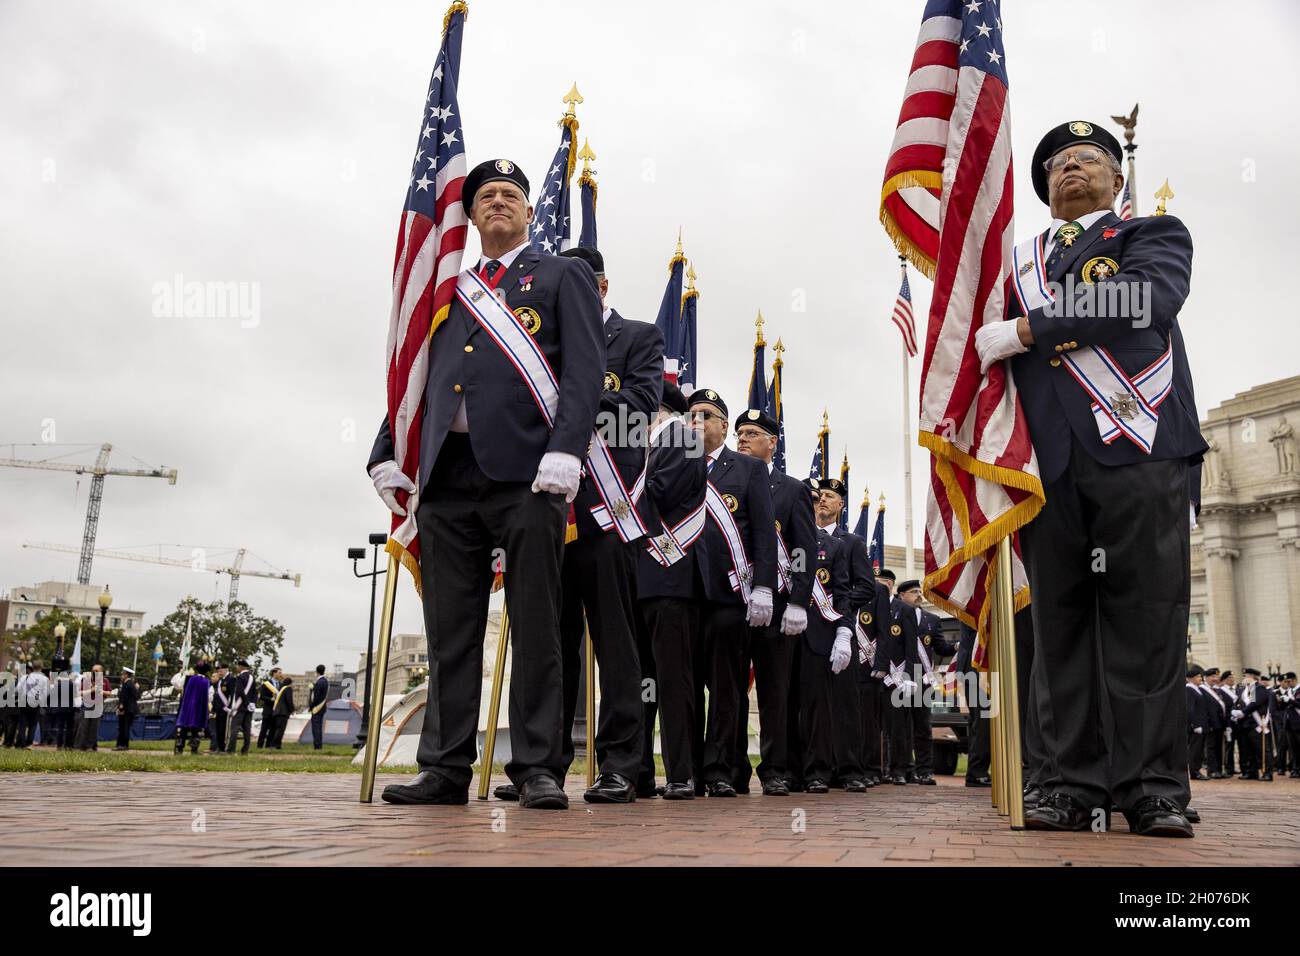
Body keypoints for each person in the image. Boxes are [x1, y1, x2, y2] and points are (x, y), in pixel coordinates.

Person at [975, 120, 1206, 838]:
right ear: (1046, 190)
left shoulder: (1153, 235)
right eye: (1057, 166)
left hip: (1138, 448)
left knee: (1147, 622)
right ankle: (1066, 785)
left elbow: (1143, 302)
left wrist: (1026, 331)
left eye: (1087, 160)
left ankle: (1153, 789)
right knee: (1058, 630)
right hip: (1045, 464)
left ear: (1116, 179)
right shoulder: (1017, 265)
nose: (1070, 169)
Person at [369, 159, 605, 811]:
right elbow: (415, 372)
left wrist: (567, 452)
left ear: (529, 212)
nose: (498, 202)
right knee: (451, 629)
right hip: (446, 475)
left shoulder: (563, 275)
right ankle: (444, 767)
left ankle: (537, 767)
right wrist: (386, 448)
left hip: (530, 473)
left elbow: (585, 373)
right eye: (486, 196)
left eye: (510, 195)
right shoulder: (449, 285)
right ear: (470, 215)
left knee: (535, 622)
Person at [552, 245, 662, 804]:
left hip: (608, 510)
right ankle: (544, 766)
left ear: (601, 286)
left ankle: (623, 764)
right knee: (551, 642)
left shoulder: (639, 337)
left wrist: (570, 397)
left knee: (618, 647)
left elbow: (640, 404)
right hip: (550, 508)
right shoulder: (544, 337)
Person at [683, 388, 776, 797]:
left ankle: (720, 769)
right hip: (683, 592)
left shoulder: (748, 469)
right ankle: (685, 770)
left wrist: (763, 589)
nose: (697, 421)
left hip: (729, 591)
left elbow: (762, 533)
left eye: (707, 415)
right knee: (684, 685)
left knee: (725, 686)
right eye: (693, 414)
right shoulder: (676, 462)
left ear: (724, 425)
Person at [731, 408, 815, 796]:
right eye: (740, 433)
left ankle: (775, 768)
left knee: (774, 693)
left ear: (772, 443)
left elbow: (803, 550)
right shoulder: (719, 481)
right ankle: (729, 769)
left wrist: (799, 600)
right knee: (728, 688)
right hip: (730, 602)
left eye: (752, 433)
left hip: (778, 605)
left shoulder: (793, 489)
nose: (743, 439)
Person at [632, 380, 707, 799]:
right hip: (644, 577)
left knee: (673, 680)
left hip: (670, 576)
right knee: (643, 680)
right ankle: (640, 770)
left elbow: (657, 494)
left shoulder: (683, 440)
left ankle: (681, 772)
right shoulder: (652, 446)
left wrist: (614, 495)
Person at [811, 477, 872, 791]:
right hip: (808, 631)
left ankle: (849, 770)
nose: (823, 500)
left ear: (841, 505)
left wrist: (837, 607)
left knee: (845, 703)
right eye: (819, 495)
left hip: (840, 629)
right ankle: (814, 769)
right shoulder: (803, 537)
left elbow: (866, 586)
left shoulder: (852, 542)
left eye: (830, 496)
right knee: (813, 703)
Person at [794, 481, 853, 793]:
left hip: (819, 634)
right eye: (814, 498)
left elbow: (842, 592)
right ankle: (787, 770)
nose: (818, 503)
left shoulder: (835, 546)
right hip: (784, 635)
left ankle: (818, 771)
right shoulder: (782, 539)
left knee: (818, 707)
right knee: (785, 704)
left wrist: (844, 631)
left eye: (824, 498)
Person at [887, 580, 947, 785]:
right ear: (901, 595)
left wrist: (956, 647)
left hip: (922, 679)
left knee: (922, 727)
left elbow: (940, 647)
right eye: (913, 592)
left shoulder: (932, 619)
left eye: (920, 592)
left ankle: (925, 770)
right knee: (899, 728)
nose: (918, 595)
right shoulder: (892, 615)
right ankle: (900, 770)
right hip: (900, 678)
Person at [859, 568, 898, 787]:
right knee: (845, 719)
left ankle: (872, 769)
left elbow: (884, 630)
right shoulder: (840, 581)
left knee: (870, 722)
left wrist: (882, 664)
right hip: (841, 663)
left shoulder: (878, 590)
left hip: (870, 665)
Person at [955, 623, 992, 787]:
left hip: (977, 668)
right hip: (975, 668)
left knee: (983, 720)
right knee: (983, 721)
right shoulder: (976, 602)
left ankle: (978, 770)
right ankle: (977, 772)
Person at [1233, 668, 1273, 781]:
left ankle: (1267, 772)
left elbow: (1255, 703)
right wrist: (1234, 711)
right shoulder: (1242, 690)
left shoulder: (1259, 688)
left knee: (1262, 750)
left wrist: (1243, 712)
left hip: (1256, 724)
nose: (1245, 677)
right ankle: (1251, 772)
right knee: (1248, 750)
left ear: (1254, 677)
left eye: (1247, 675)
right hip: (1245, 724)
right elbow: (1237, 702)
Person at [175, 662, 211, 755]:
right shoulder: (205, 681)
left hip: (188, 706)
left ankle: (179, 747)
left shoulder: (191, 679)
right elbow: (205, 697)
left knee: (184, 728)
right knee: (196, 729)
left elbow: (186, 693)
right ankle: (194, 749)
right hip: (198, 707)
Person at [1198, 667, 1227, 778]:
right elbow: (1203, 709)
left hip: (1219, 723)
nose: (1215, 679)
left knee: (1219, 747)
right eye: (1213, 676)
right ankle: (1212, 770)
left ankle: (1219, 769)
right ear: (1206, 677)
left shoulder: (1217, 690)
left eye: (1216, 676)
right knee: (1211, 748)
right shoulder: (1202, 689)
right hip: (1210, 723)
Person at [73, 665, 108, 751]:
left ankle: (89, 746)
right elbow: (79, 693)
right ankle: (78, 746)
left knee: (94, 727)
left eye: (97, 671)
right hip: (87, 705)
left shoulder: (105, 681)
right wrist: (92, 690)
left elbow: (109, 692)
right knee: (83, 726)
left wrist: (102, 692)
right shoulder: (87, 679)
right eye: (93, 670)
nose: (94, 672)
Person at [225, 660, 256, 755]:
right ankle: (245, 750)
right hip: (249, 708)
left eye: (238, 666)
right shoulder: (252, 677)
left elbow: (240, 691)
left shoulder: (240, 677)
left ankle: (231, 749)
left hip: (241, 707)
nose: (237, 668)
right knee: (247, 730)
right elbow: (255, 693)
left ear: (241, 667)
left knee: (234, 729)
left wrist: (246, 703)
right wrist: (252, 703)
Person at [46, 657, 76, 750]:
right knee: (70, 728)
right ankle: (68, 745)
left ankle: (59, 745)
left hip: (60, 708)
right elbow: (75, 695)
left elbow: (52, 695)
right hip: (70, 709)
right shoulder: (72, 684)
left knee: (60, 727)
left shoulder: (58, 685)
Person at [1185, 665, 1209, 779]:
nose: (1201, 679)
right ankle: (1194, 771)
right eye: (1198, 677)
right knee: (1195, 750)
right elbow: (1190, 709)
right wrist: (1195, 725)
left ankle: (1197, 769)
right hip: (1196, 726)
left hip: (1201, 725)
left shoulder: (1196, 689)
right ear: (1191, 678)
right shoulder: (1189, 689)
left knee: (1199, 749)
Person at [16, 662, 47, 748]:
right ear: (41, 668)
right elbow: (45, 693)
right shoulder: (44, 679)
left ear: (33, 668)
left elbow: (18, 689)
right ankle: (28, 743)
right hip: (36, 702)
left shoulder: (25, 677)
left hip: (25, 702)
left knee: (22, 724)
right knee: (33, 724)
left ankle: (20, 743)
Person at [1218, 671, 1239, 776]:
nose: (1232, 679)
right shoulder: (1221, 691)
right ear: (1225, 679)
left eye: (1233, 677)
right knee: (1229, 746)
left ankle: (1241, 766)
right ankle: (1229, 768)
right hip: (1229, 722)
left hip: (1239, 722)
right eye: (1230, 677)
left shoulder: (1238, 689)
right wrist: (1226, 724)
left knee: (1241, 745)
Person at [256, 667, 283, 749]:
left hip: (276, 711)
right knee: (264, 729)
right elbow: (262, 696)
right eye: (279, 672)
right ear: (274, 673)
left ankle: (269, 745)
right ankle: (260, 745)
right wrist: (270, 699)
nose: (280, 674)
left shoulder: (281, 684)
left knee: (273, 729)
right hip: (268, 709)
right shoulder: (266, 684)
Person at [114, 667, 139, 751]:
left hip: (126, 710)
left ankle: (123, 745)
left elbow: (126, 698)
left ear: (126, 674)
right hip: (126, 709)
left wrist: (121, 708)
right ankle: (121, 744)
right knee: (123, 727)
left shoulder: (128, 684)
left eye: (122, 674)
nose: (121, 676)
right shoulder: (127, 684)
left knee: (124, 727)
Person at [208, 663, 229, 753]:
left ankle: (215, 747)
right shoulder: (212, 686)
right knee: (212, 730)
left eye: (214, 677)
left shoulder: (220, 686)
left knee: (216, 730)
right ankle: (213, 747)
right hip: (212, 710)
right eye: (212, 676)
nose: (212, 678)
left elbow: (217, 700)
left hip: (219, 710)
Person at [1281, 673, 1300, 778]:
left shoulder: (1299, 690)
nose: (1287, 684)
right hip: (1289, 724)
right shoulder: (1288, 691)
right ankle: (1295, 769)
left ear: (1294, 680)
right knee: (1293, 749)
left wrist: (1290, 700)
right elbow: (1284, 707)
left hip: (1298, 724)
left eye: (1289, 681)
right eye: (1286, 682)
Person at [308, 665, 329, 750]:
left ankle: (317, 746)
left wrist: (311, 706)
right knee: (319, 728)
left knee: (315, 728)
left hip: (317, 708)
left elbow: (316, 697)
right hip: (322, 707)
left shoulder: (319, 682)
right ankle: (319, 745)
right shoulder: (326, 681)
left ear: (317, 672)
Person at [269, 676, 293, 748]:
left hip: (278, 711)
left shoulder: (281, 688)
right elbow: (289, 701)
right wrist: (292, 710)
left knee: (277, 729)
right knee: (280, 730)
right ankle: (275, 745)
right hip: (283, 712)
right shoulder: (288, 689)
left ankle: (276, 744)